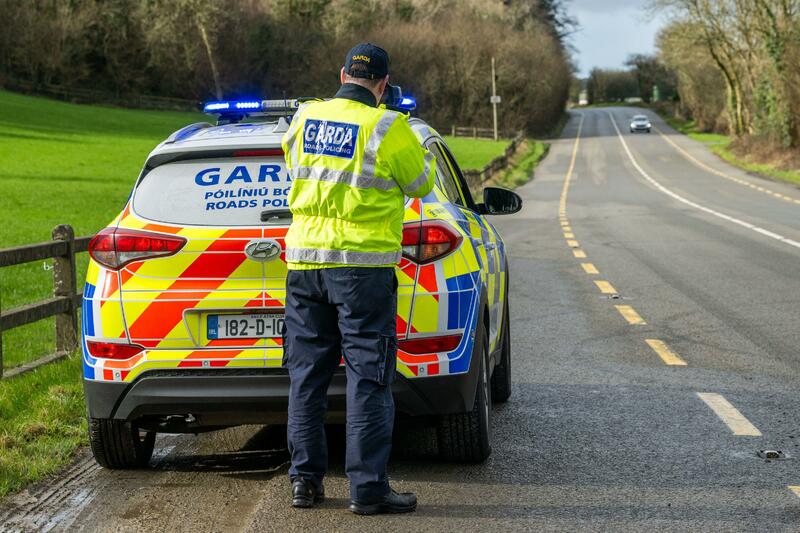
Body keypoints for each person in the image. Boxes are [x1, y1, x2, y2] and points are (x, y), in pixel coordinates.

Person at [280, 43, 435, 515]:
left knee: (307, 376)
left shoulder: (305, 117)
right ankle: (367, 490)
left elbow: (293, 168)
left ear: (342, 73)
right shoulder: (388, 125)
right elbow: (422, 184)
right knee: (368, 378)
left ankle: (304, 485)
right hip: (362, 270)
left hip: (305, 264)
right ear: (384, 84)